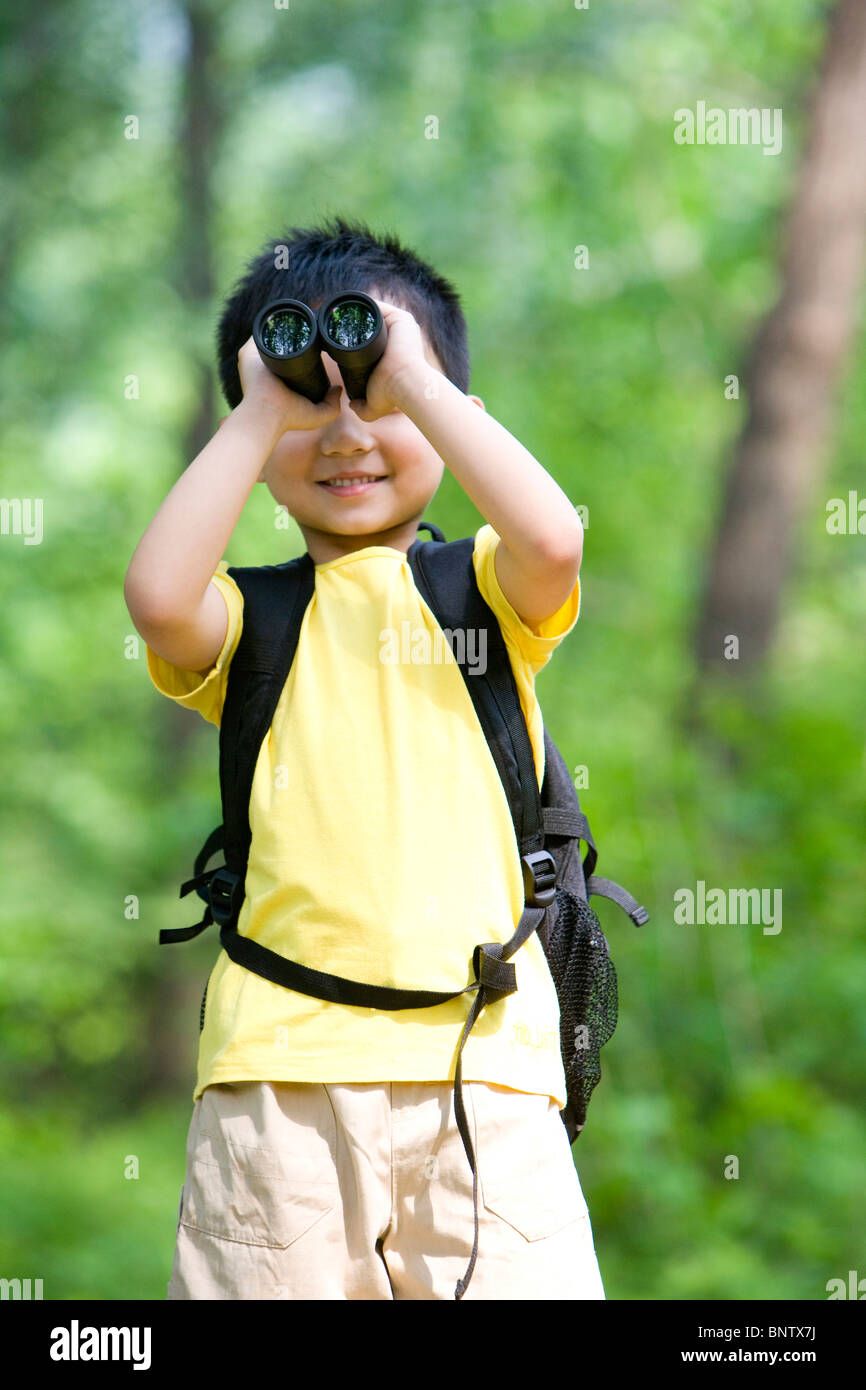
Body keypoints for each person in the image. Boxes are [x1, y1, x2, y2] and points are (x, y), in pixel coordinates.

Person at [123, 216, 605, 1300]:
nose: (343, 432)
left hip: (481, 1075)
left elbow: (553, 540)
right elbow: (156, 597)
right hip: (278, 1081)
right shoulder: (251, 618)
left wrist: (421, 385)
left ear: (447, 412)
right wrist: (256, 411)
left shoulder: (480, 594)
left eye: (374, 395)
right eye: (306, 401)